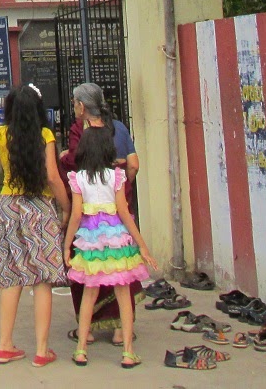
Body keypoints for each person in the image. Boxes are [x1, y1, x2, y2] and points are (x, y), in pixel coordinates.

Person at [0, 84, 70, 367]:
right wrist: (66, 208)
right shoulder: (45, 135)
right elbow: (53, 177)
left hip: (9, 206)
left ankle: (5, 345)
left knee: (11, 275)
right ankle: (42, 351)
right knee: (42, 279)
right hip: (40, 207)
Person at [64, 126, 155, 369]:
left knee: (89, 295)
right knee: (123, 294)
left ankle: (81, 349)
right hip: (117, 241)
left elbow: (75, 216)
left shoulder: (79, 178)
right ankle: (128, 351)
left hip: (90, 241)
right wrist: (142, 245)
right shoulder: (116, 176)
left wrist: (66, 246)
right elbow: (124, 212)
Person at [59, 82, 140, 345]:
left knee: (88, 276)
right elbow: (134, 165)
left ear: (82, 106)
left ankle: (86, 335)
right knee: (122, 273)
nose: (74, 108)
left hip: (89, 220)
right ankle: (122, 335)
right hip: (118, 213)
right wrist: (122, 184)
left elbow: (75, 162)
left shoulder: (81, 132)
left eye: (74, 103)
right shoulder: (119, 128)